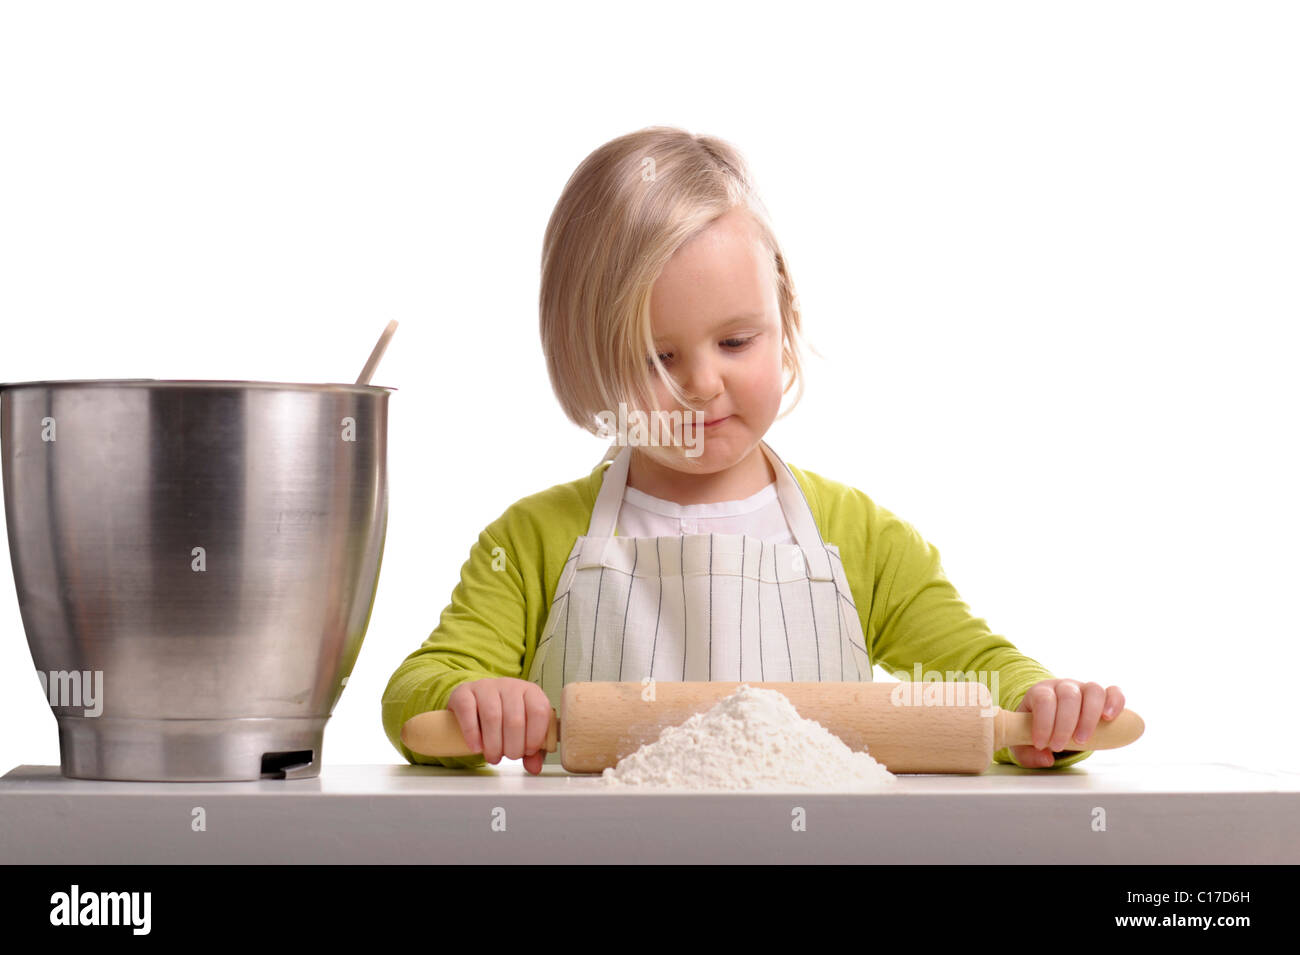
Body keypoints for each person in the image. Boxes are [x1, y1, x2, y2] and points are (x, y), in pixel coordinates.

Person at [381, 126, 1126, 775]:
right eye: (655, 358)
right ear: (585, 360)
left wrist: (1046, 710)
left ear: (785, 318)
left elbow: (973, 677)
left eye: (737, 340)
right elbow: (415, 697)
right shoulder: (533, 542)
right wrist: (469, 701)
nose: (703, 384)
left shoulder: (861, 538)